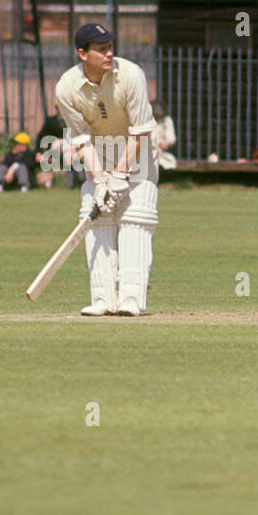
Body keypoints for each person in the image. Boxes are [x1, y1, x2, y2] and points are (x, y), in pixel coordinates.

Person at [55, 21, 157, 317]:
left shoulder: (131, 75)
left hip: (138, 155)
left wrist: (122, 175)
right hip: (99, 155)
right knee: (95, 214)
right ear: (82, 54)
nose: (109, 54)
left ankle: (131, 298)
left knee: (136, 219)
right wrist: (100, 180)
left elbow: (140, 131)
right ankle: (102, 298)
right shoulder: (66, 87)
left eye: (110, 47)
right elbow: (81, 138)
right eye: (101, 49)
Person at [35, 104, 73, 188]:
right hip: (54, 150)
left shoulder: (72, 120)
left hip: (70, 148)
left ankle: (69, 184)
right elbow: (41, 136)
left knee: (67, 152)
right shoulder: (50, 121)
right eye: (59, 107)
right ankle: (55, 182)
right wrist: (38, 152)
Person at [151, 99, 178, 173]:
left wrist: (164, 143)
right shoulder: (146, 119)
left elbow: (171, 139)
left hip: (162, 152)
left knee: (169, 160)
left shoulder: (167, 120)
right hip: (146, 150)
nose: (158, 117)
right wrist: (158, 141)